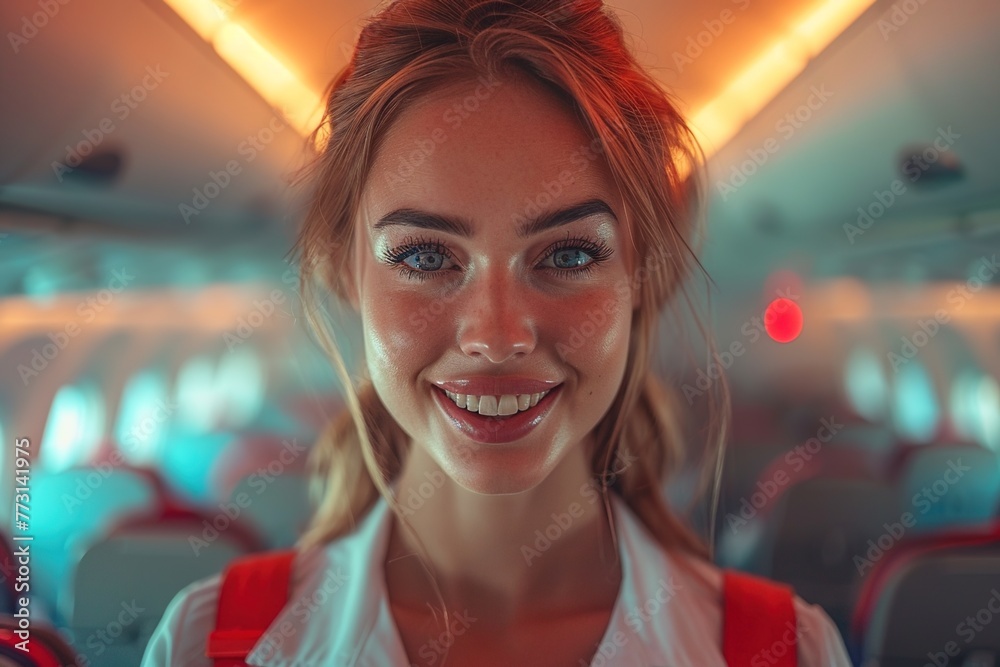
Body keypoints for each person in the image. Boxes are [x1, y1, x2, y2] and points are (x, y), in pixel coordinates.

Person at [142, 0, 854, 665]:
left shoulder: (788, 648)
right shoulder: (208, 640)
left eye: (569, 254)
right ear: (345, 271)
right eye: (425, 256)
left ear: (641, 276)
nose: (497, 334)